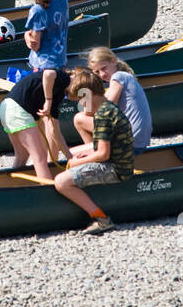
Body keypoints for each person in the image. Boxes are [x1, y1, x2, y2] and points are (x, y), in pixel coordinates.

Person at [54, 67, 135, 235]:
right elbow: (102, 148)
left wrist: (76, 162)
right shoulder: (108, 107)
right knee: (75, 159)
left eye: (81, 100)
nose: (81, 105)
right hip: (117, 162)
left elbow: (103, 155)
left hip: (115, 169)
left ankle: (102, 219)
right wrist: (87, 157)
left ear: (88, 95)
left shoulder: (103, 116)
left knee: (61, 182)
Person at [23, 0, 69, 162]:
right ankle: (54, 158)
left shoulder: (38, 9)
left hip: (42, 69)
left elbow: (35, 43)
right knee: (53, 118)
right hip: (60, 62)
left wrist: (25, 36)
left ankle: (47, 161)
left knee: (44, 119)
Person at [0, 66, 72, 185]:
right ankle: (47, 191)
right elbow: (48, 73)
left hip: (7, 107)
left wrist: (70, 157)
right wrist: (48, 101)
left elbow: (55, 133)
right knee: (40, 157)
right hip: (18, 109)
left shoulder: (57, 97)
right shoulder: (65, 78)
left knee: (22, 156)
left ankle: (13, 188)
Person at [74, 46, 152, 151]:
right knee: (82, 117)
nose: (101, 74)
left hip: (130, 141)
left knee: (79, 119)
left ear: (113, 61)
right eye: (97, 72)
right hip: (138, 140)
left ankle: (97, 153)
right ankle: (97, 151)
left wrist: (86, 93)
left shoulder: (118, 76)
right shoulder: (123, 78)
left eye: (104, 68)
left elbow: (106, 108)